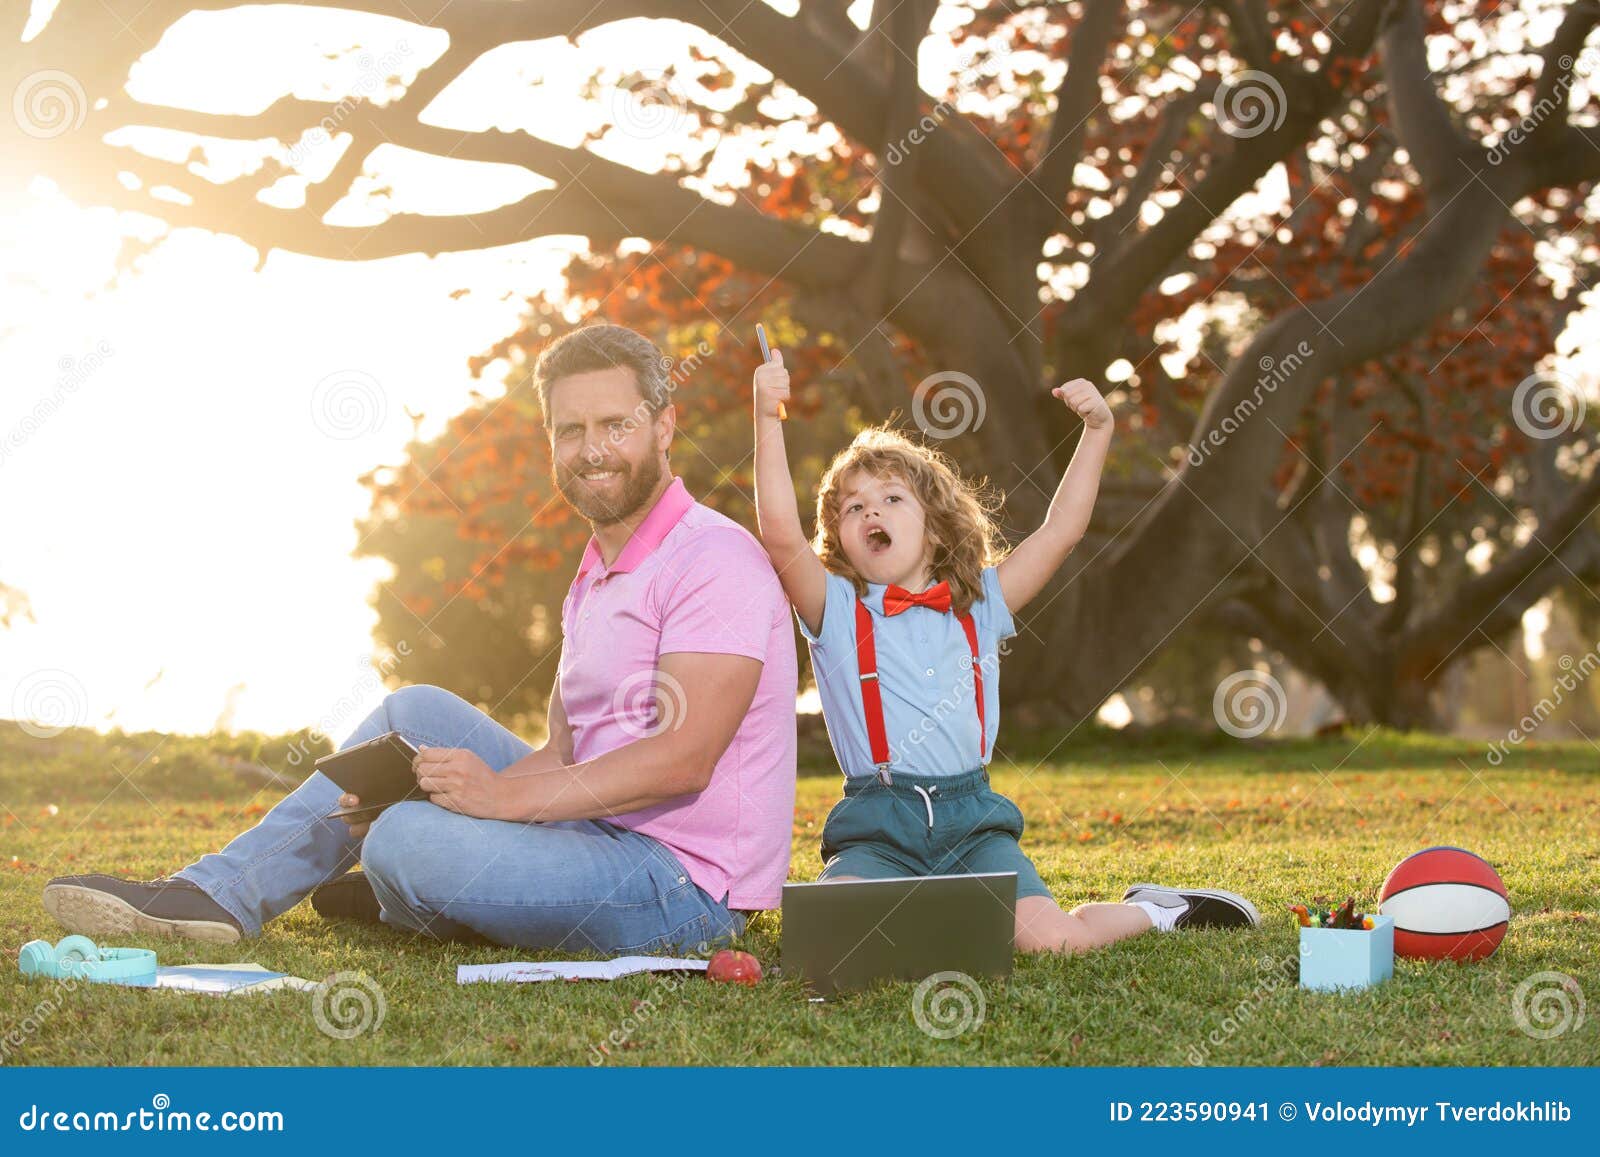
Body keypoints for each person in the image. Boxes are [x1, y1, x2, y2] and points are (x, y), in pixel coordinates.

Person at [43, 324, 798, 955]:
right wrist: (452, 791)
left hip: (682, 886)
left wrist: (493, 802)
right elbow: (563, 756)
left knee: (405, 842)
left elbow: (685, 755)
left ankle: (411, 887)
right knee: (414, 712)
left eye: (616, 424)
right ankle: (217, 893)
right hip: (590, 829)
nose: (592, 448)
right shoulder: (596, 570)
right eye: (571, 430)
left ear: (663, 426)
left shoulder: (714, 558)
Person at [750, 344, 1258, 952]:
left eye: (890, 499)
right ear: (841, 540)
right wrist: (764, 417)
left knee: (1053, 944)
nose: (869, 512)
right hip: (877, 830)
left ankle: (1153, 911)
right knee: (829, 944)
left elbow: (1061, 532)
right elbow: (780, 533)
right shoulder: (836, 612)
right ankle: (937, 917)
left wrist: (1098, 430)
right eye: (852, 508)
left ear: (935, 526)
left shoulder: (979, 604)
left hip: (973, 823)